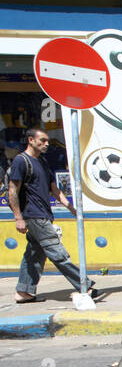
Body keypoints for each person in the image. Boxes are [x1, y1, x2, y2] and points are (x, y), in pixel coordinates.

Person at [8, 128, 100, 304]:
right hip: (33, 215)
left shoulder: (41, 162)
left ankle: (24, 291)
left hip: (43, 214)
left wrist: (70, 207)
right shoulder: (22, 161)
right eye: (42, 140)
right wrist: (18, 218)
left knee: (35, 254)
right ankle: (84, 286)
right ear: (30, 140)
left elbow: (54, 190)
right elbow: (13, 190)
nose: (47, 143)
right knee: (58, 252)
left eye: (47, 140)